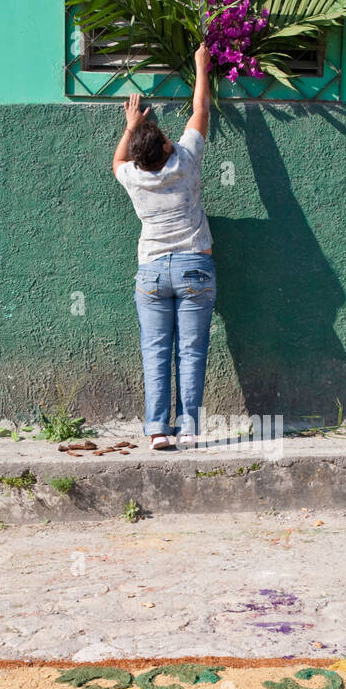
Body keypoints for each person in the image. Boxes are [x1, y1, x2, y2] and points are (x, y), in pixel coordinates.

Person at [112, 42, 215, 451]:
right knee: (191, 351)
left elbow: (117, 162)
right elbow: (201, 112)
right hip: (195, 267)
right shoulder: (186, 161)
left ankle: (157, 431)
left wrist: (130, 127)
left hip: (151, 272)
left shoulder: (134, 178)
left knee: (155, 350)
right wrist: (201, 67)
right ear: (168, 147)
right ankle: (187, 428)